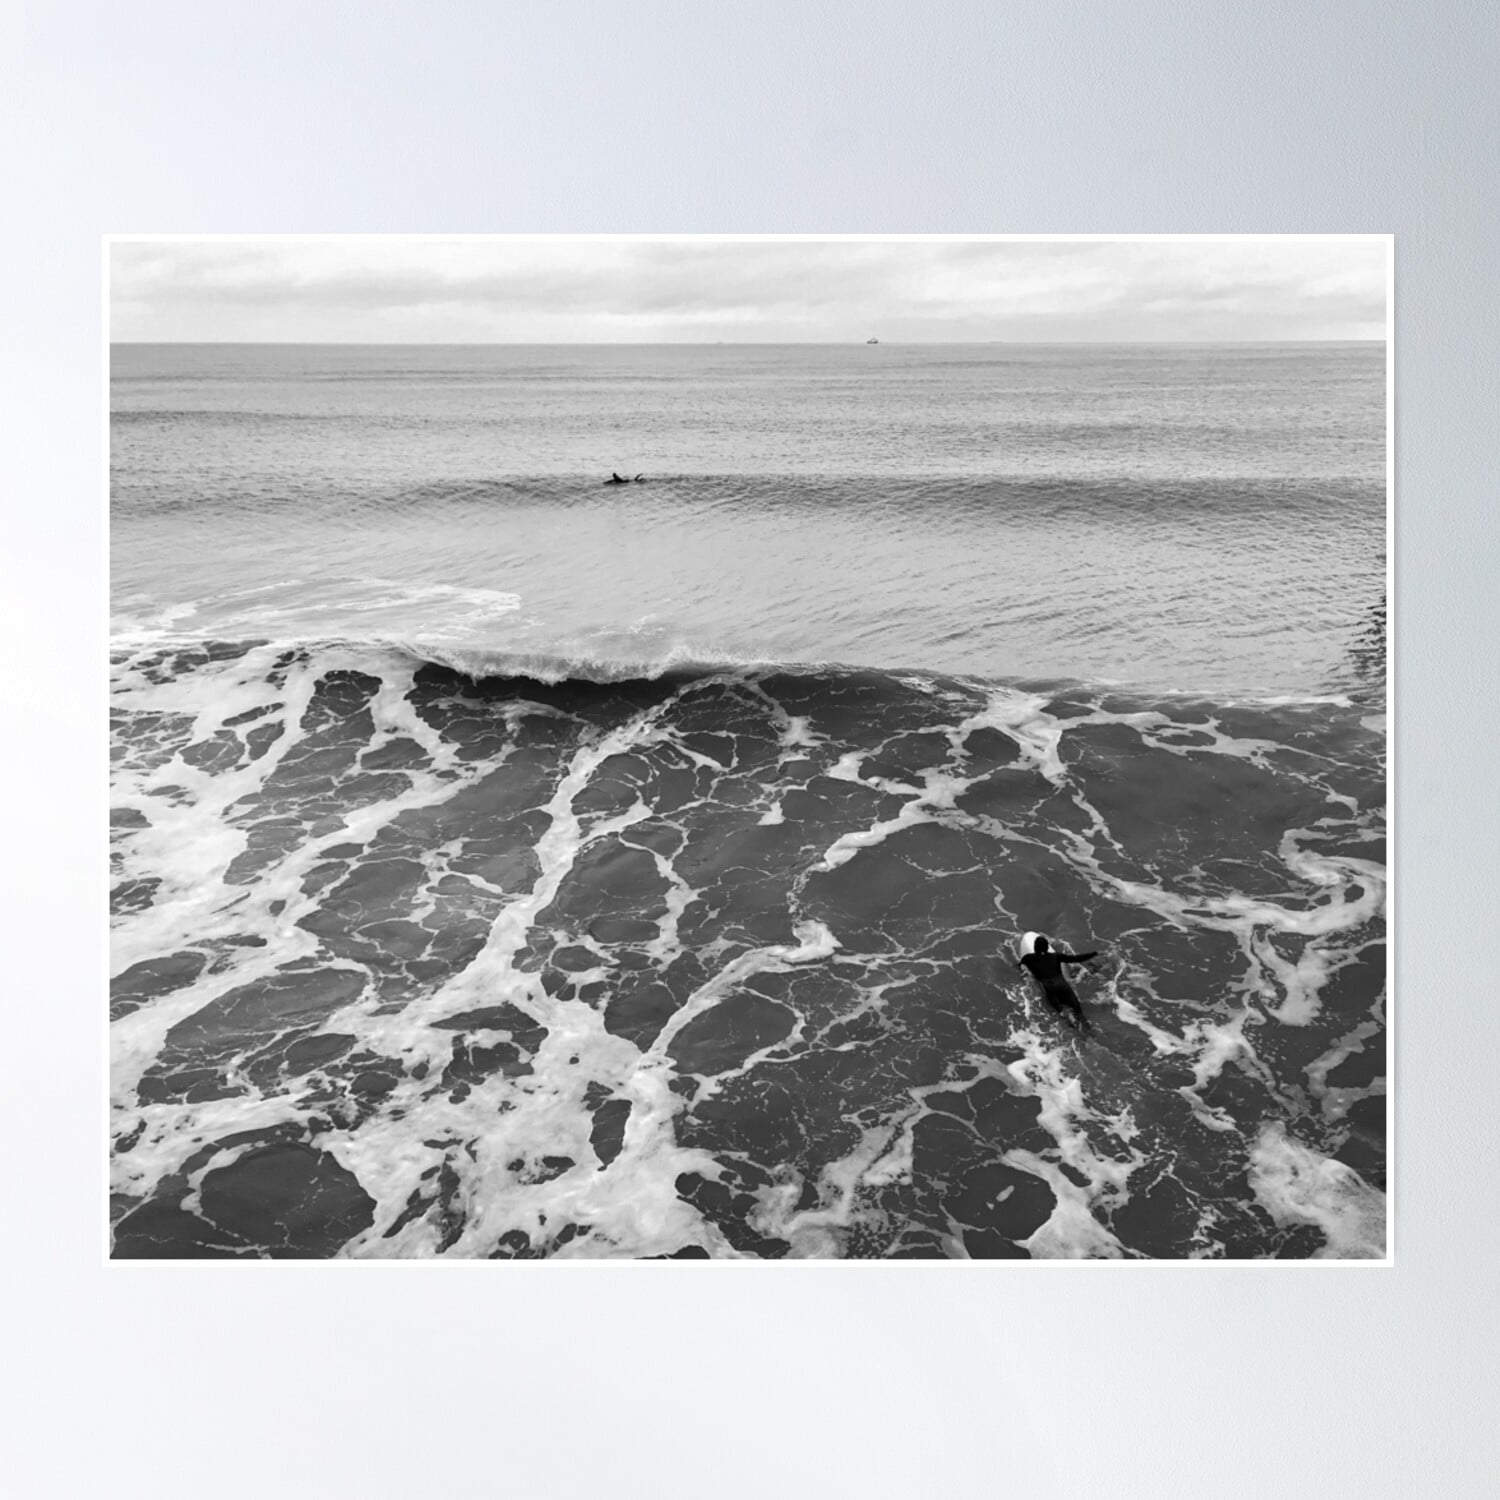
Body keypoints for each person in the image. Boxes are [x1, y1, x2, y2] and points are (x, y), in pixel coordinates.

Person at [1016, 935, 1100, 1033]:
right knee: (1078, 1012)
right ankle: (1090, 1031)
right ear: (1047, 947)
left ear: (1035, 948)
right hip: (1062, 985)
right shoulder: (1056, 956)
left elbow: (1020, 966)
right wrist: (1094, 953)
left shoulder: (1028, 958)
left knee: (1063, 1013)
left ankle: (1078, 1033)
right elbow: (1076, 958)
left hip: (1049, 988)